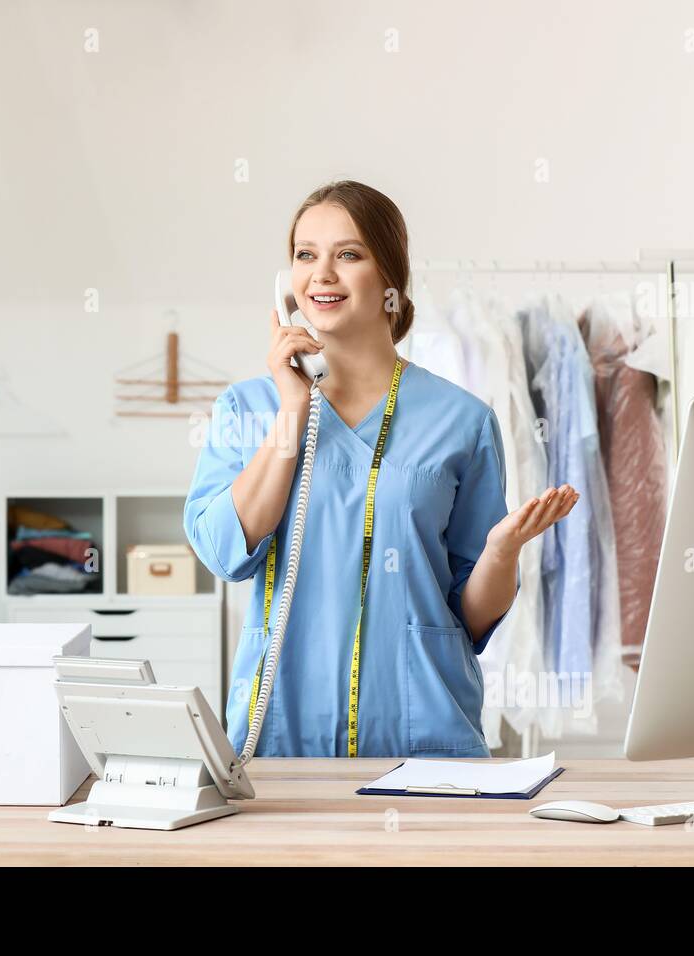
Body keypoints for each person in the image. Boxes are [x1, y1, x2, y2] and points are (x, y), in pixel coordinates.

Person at [184, 181, 577, 757]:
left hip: (425, 742)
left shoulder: (462, 421)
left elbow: (469, 620)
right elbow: (224, 552)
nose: (322, 274)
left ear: (389, 276)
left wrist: (499, 552)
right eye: (304, 255)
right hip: (281, 740)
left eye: (348, 254)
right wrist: (293, 407)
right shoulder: (248, 409)